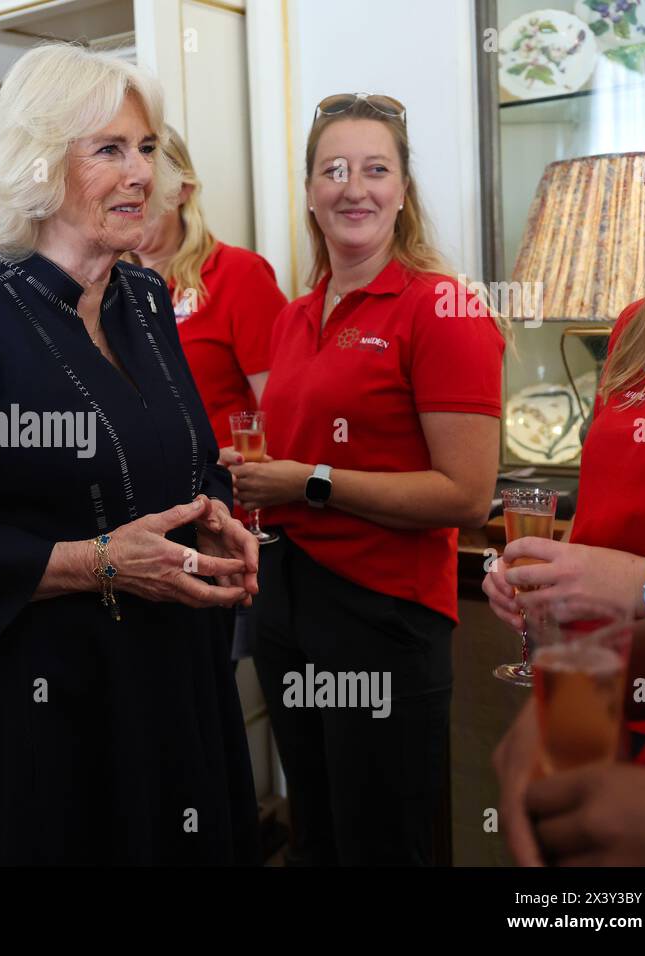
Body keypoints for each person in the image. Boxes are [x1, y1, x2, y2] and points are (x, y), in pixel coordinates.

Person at [0, 42, 261, 865]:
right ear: (42, 164)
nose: (141, 175)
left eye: (148, 149)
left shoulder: (147, 299)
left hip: (174, 683)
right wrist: (98, 563)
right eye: (111, 150)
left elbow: (183, 461)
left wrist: (214, 515)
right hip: (46, 711)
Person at [230, 93, 505, 865]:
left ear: (404, 188)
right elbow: (290, 453)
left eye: (376, 168)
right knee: (319, 831)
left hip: (381, 617)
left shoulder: (441, 309)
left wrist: (308, 481)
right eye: (334, 170)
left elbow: (465, 495)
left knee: (385, 841)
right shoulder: (296, 314)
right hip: (287, 601)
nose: (355, 187)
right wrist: (261, 479)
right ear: (311, 192)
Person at [495, 50, 645, 866]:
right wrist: (554, 589)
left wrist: (640, 586)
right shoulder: (641, 328)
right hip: (609, 699)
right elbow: (610, 522)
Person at [131, 125, 288, 448]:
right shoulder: (106, 288)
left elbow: (283, 412)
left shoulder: (239, 274)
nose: (135, 199)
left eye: (148, 185)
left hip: (223, 489)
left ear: (182, 190)